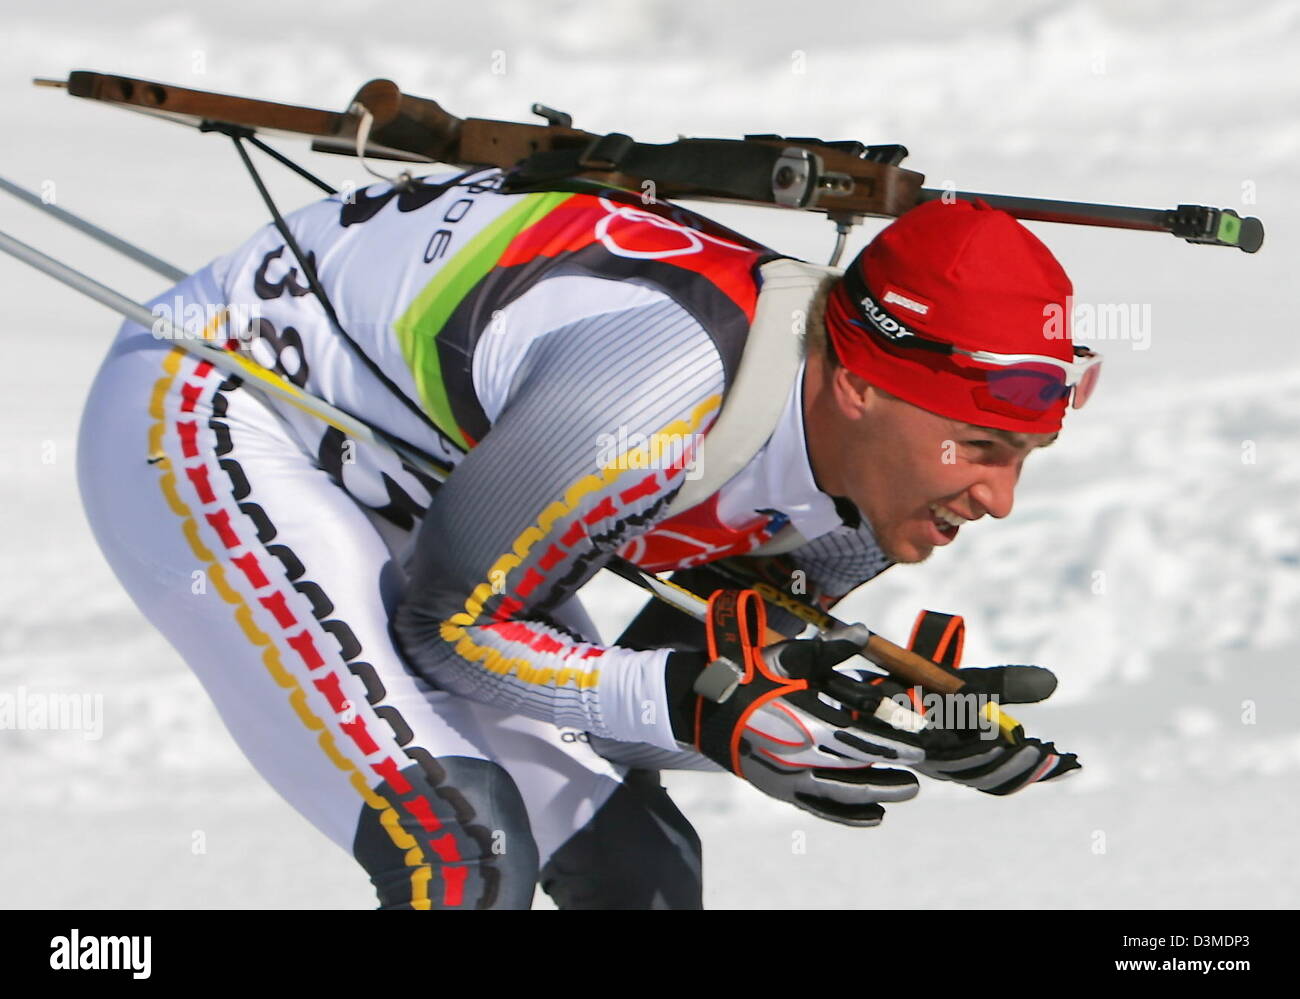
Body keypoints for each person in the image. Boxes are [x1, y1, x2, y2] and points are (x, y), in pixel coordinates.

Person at [76, 166, 1085, 910]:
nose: (996, 498)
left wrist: (877, 716)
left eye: (1023, 455)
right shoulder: (657, 394)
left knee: (639, 873)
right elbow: (454, 634)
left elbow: (645, 692)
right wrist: (691, 710)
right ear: (860, 385)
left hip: (423, 473)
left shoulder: (865, 499)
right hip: (224, 405)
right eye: (977, 447)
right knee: (459, 854)